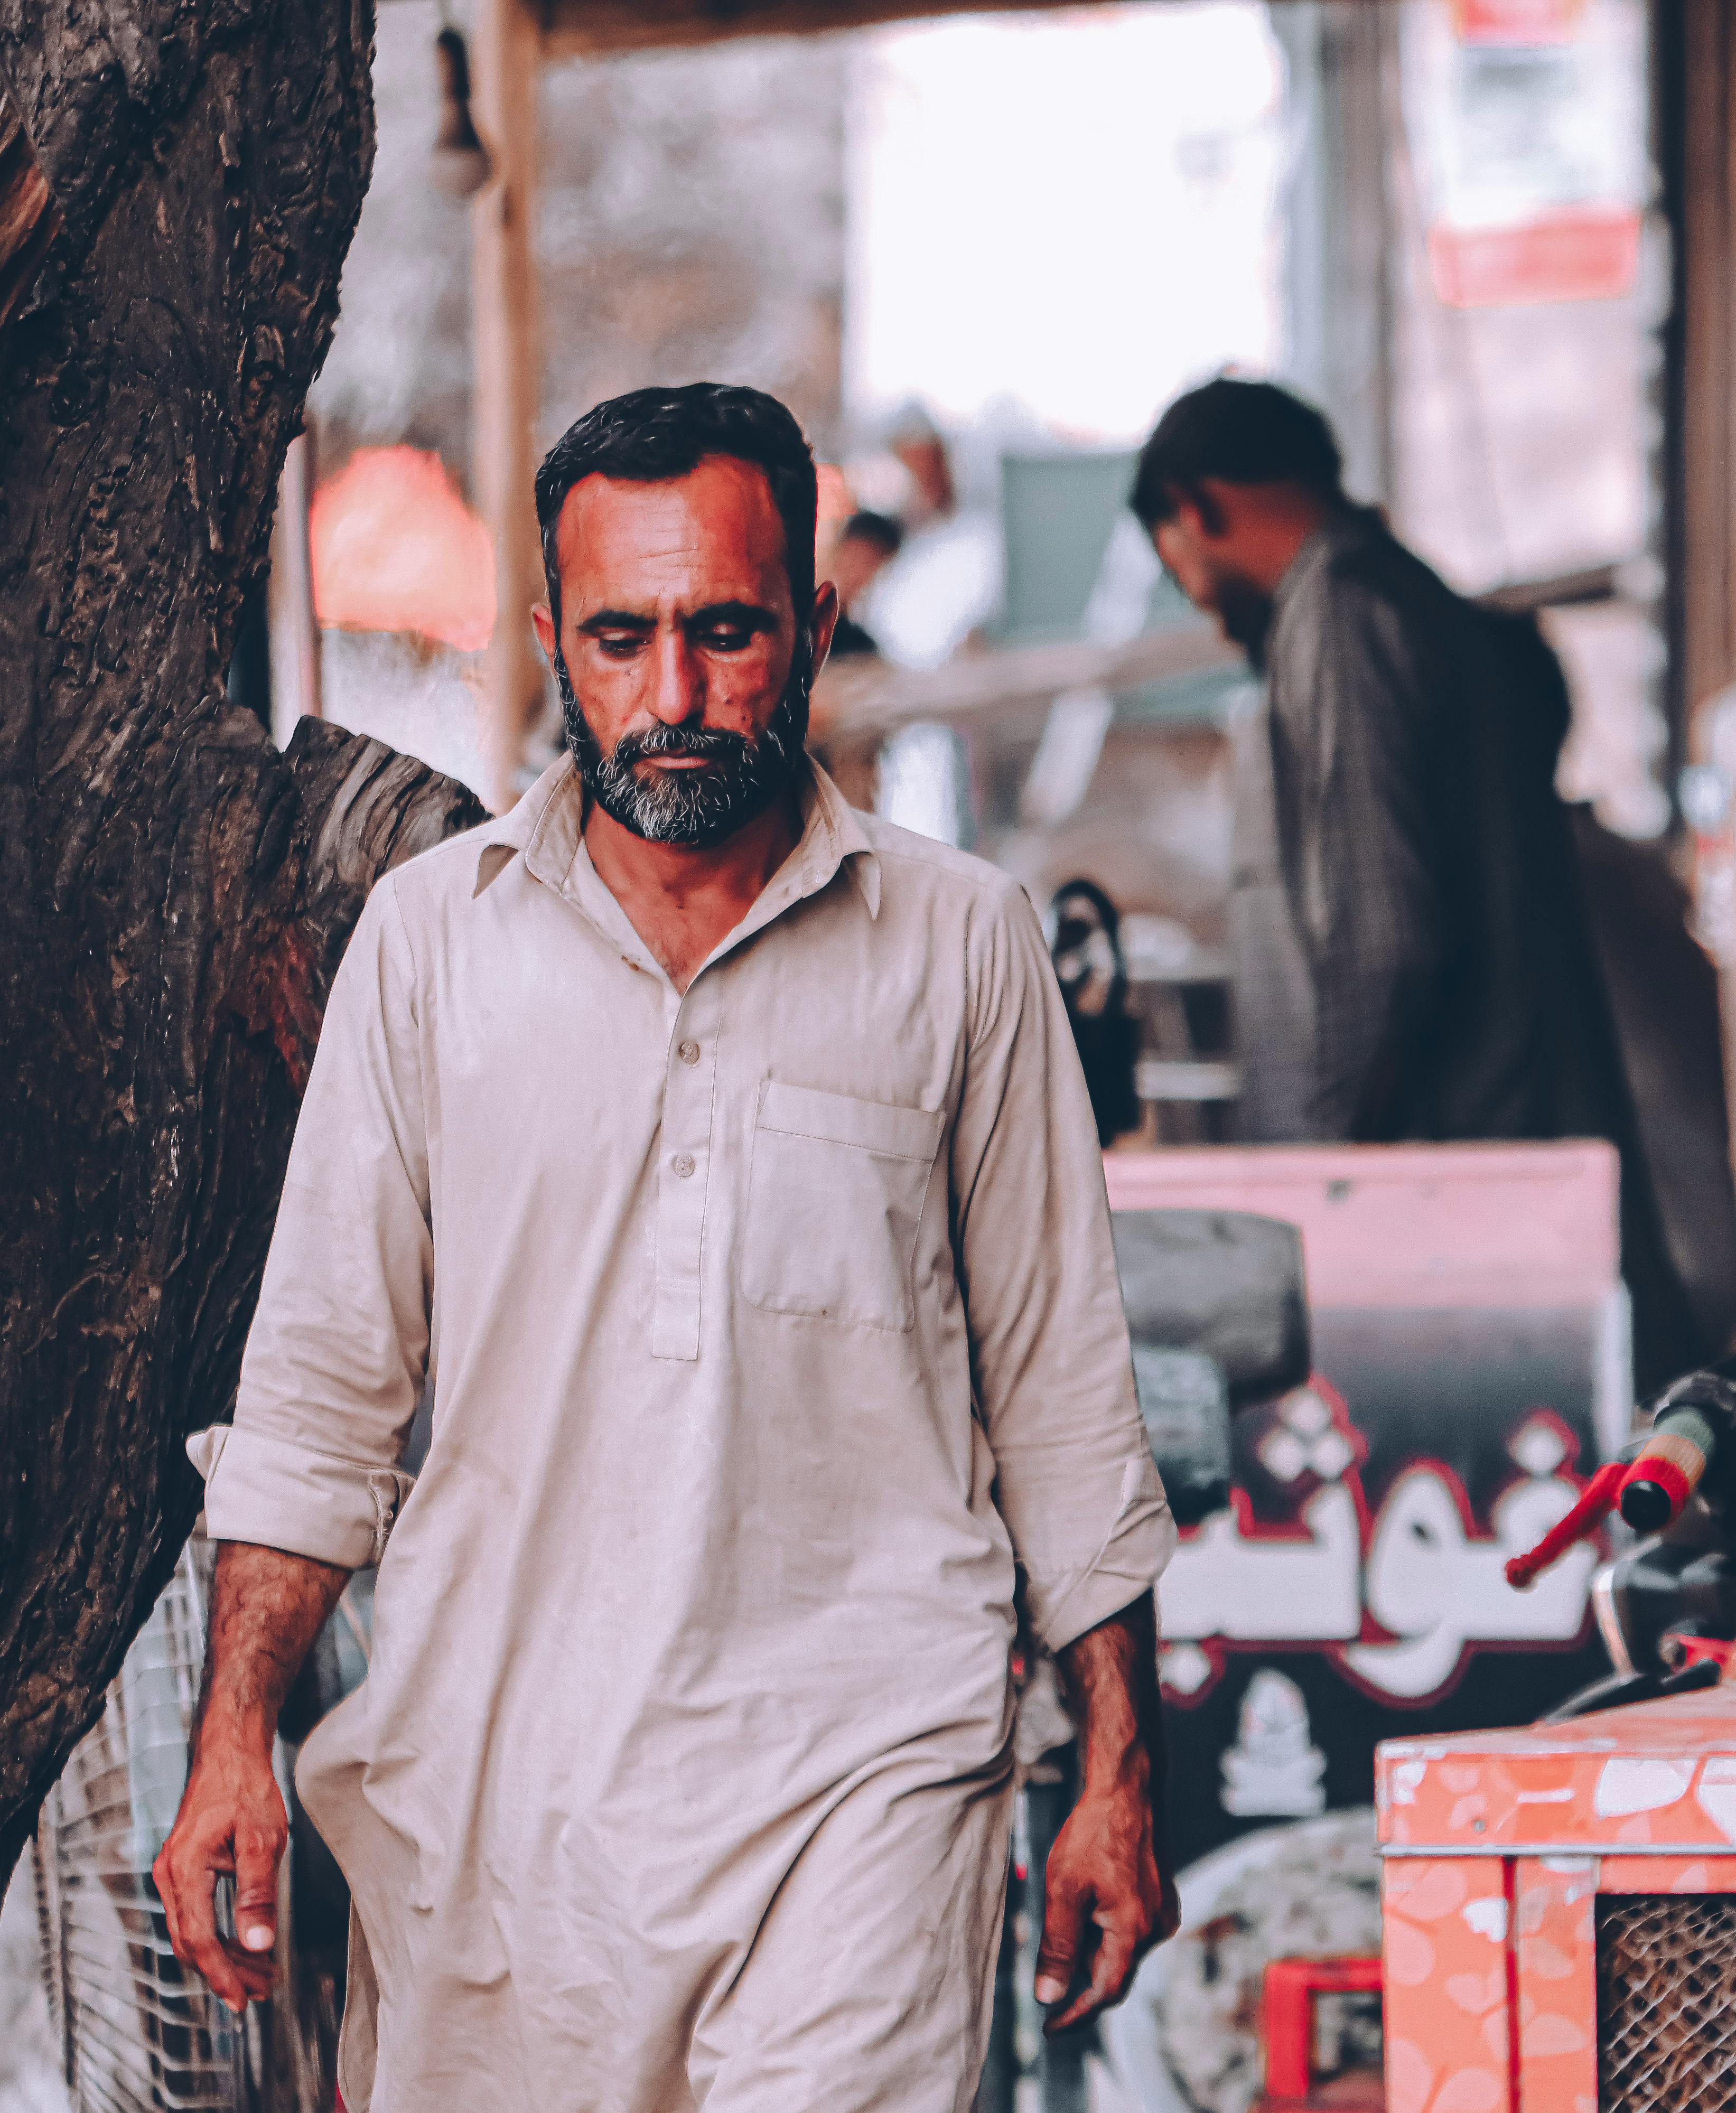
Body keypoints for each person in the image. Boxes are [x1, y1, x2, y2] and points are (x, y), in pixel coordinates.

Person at [153, 382, 1178, 2112]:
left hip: (866, 1779)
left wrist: (1117, 1774)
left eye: (724, 632)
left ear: (814, 624)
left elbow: (1064, 1397)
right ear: (553, 638)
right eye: (621, 640)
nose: (674, 696)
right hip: (492, 1809)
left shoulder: (961, 946)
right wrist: (232, 1735)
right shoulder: (426, 947)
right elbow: (319, 1393)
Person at [1130, 376, 1701, 1387]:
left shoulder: (1342, 617)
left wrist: (1324, 1188)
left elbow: (1381, 944)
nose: (1207, 611)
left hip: (1448, 1204)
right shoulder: (1405, 602)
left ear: (1198, 507)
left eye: (1182, 567)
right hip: (1486, 1192)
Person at [825, 507, 904, 658]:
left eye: (876, 568)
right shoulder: (802, 620)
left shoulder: (861, 644)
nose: (865, 577)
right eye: (864, 560)